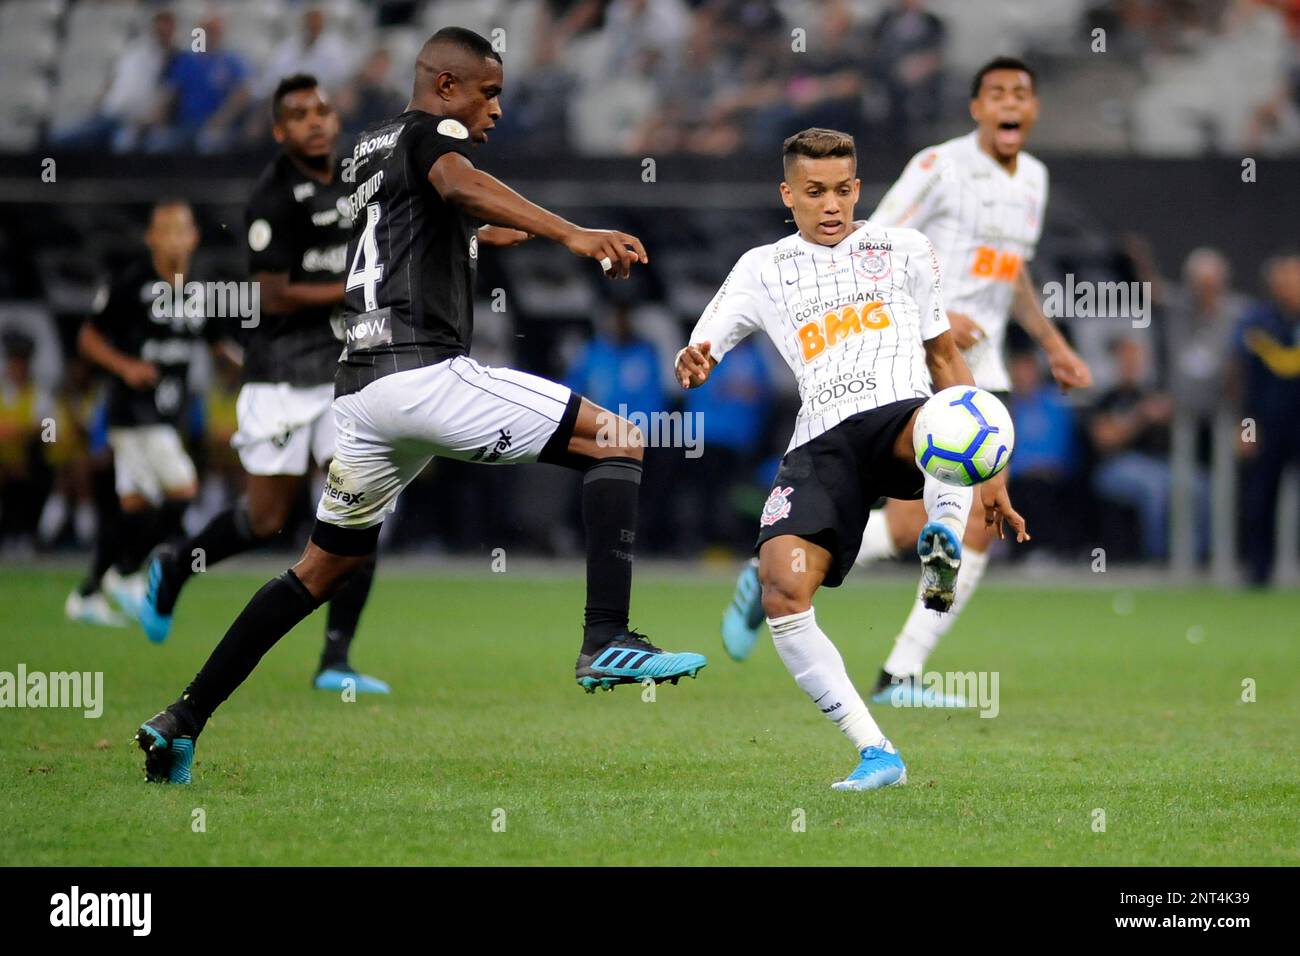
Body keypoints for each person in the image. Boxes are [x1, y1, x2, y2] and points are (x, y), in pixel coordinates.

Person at [135, 27, 708, 785]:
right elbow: (460, 187)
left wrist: (504, 231)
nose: (495, 110)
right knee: (619, 440)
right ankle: (605, 638)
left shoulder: (370, 151)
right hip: (424, 375)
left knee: (318, 569)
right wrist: (573, 232)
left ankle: (181, 719)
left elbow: (450, 215)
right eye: (488, 92)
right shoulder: (436, 136)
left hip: (361, 393)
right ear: (445, 87)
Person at [719, 58, 1089, 709]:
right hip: (913, 358)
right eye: (996, 92)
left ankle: (792, 581)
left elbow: (1014, 272)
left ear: (1032, 110)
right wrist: (942, 306)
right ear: (976, 107)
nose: (1010, 103)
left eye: (1021, 94)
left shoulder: (1034, 178)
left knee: (946, 524)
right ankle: (890, 667)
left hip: (981, 368)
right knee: (955, 519)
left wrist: (1054, 343)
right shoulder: (938, 166)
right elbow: (872, 242)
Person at [677, 127, 1027, 790]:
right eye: (815, 192)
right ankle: (877, 753)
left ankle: (939, 541)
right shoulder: (763, 267)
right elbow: (706, 338)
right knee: (784, 588)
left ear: (859, 189)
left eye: (842, 189)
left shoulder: (903, 250)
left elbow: (947, 359)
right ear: (789, 194)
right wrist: (695, 357)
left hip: (904, 417)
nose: (831, 204)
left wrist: (995, 478)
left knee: (950, 421)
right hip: (822, 441)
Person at [138, 75, 387, 694]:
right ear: (279, 130)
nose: (315, 121)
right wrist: (359, 286)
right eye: (299, 114)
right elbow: (273, 296)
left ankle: (336, 658)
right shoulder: (271, 196)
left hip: (343, 372)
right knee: (265, 519)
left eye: (323, 109)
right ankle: (175, 563)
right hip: (279, 372)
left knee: (362, 507)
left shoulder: (358, 178)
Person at [76, 201, 216, 618]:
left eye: (181, 230)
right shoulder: (130, 284)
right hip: (131, 412)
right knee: (183, 488)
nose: (174, 238)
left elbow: (217, 339)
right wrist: (126, 366)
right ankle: (126, 572)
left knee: (135, 506)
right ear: (151, 238)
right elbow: (88, 338)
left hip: (168, 414)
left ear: (194, 237)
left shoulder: (199, 291)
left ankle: (87, 595)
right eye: (165, 230)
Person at [1235, 252, 1300, 586]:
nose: (1289, 284)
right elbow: (1243, 380)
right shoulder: (1257, 322)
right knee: (1260, 499)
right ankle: (1258, 572)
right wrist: (1245, 430)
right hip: (1267, 425)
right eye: (1282, 278)